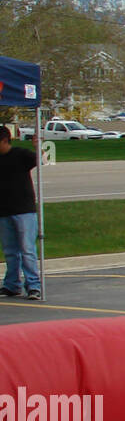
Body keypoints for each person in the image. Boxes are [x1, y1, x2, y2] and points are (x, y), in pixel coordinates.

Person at [0, 126, 41, 300]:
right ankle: (12, 285)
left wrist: (37, 147)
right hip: (3, 210)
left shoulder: (20, 155)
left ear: (4, 141)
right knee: (10, 250)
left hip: (24, 210)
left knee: (27, 249)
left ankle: (33, 285)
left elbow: (40, 160)